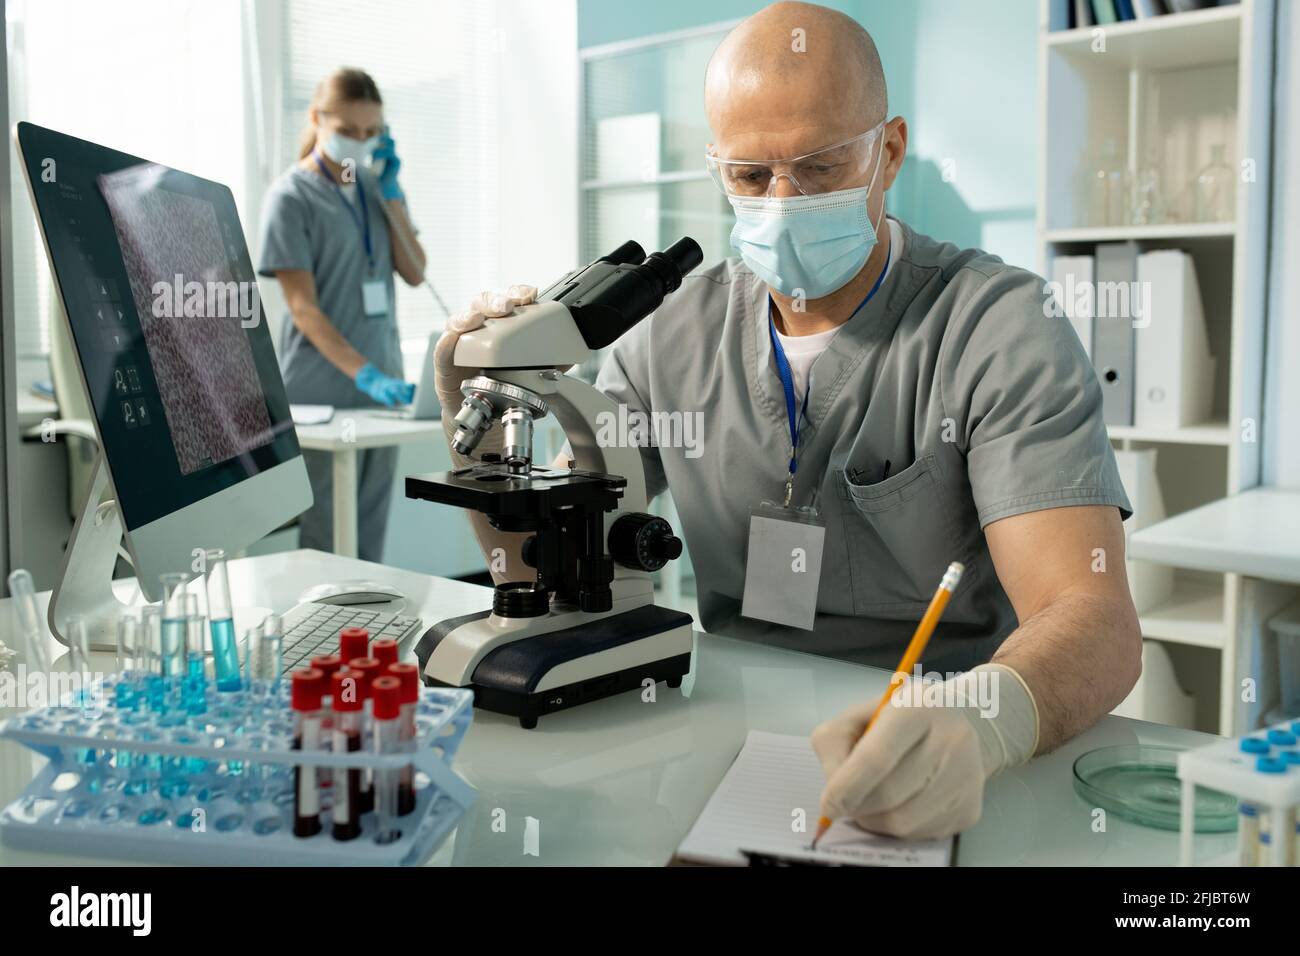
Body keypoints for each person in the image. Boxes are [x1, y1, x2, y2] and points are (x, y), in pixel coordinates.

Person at [433, 2, 1141, 839]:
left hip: (942, 753)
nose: (783, 201)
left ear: (889, 151)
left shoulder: (999, 326)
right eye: (749, 175)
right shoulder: (669, 335)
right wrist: (467, 410)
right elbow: (539, 561)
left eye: (818, 165)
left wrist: (982, 724)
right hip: (718, 737)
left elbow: (1094, 618)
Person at [258, 67, 426, 562]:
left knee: (370, 527)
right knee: (329, 533)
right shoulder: (290, 198)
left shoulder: (378, 189)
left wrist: (393, 198)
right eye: (349, 131)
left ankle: (367, 635)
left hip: (383, 389)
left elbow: (415, 273)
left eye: (371, 132)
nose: (360, 142)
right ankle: (321, 638)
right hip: (321, 390)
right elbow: (302, 307)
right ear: (317, 119)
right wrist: (365, 375)